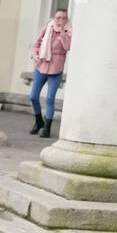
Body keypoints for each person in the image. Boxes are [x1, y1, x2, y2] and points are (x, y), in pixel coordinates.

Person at [29, 8, 72, 139]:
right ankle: (38, 121)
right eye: (58, 18)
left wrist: (63, 33)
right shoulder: (46, 29)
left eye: (64, 18)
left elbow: (67, 47)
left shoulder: (69, 32)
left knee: (49, 99)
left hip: (56, 69)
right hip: (41, 65)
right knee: (33, 96)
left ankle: (47, 127)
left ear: (67, 20)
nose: (61, 21)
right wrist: (35, 54)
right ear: (54, 18)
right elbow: (36, 44)